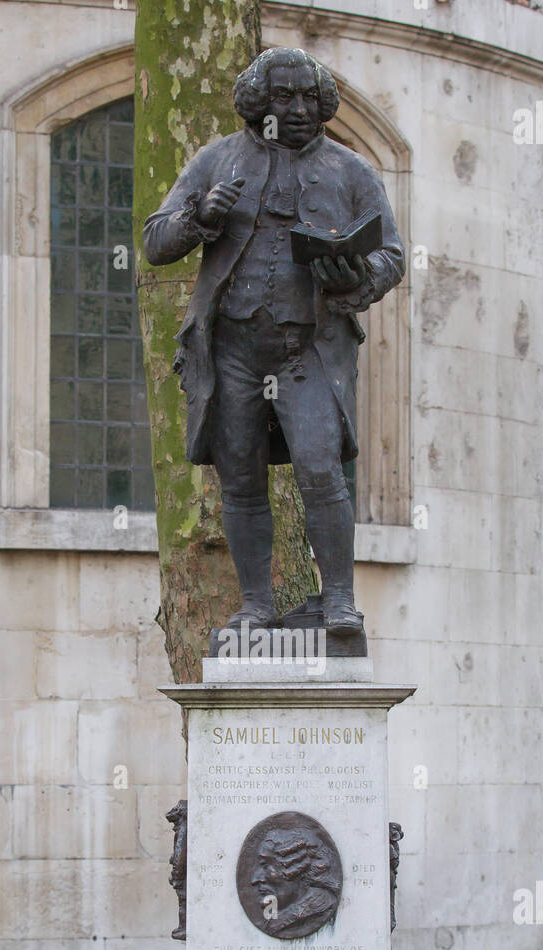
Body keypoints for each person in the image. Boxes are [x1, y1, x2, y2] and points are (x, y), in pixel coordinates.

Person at [143, 46, 405, 634]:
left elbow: (393, 254)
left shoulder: (352, 171)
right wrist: (199, 217)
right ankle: (256, 604)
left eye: (310, 97)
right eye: (284, 96)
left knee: (319, 467)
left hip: (306, 349)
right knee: (239, 476)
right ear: (259, 101)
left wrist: (358, 280)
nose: (299, 108)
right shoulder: (217, 160)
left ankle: (339, 600)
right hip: (232, 349)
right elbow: (156, 241)